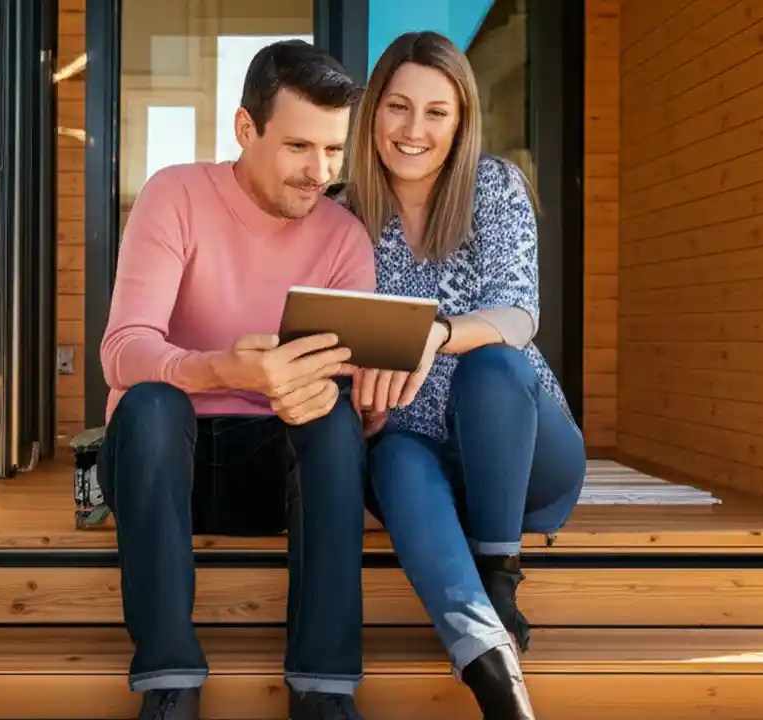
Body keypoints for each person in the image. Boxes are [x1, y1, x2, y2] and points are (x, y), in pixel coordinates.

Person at [96, 40, 374, 720]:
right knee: (155, 403)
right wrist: (221, 368)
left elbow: (355, 389)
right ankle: (169, 683)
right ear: (246, 129)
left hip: (274, 475)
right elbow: (122, 350)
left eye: (334, 152)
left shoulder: (344, 239)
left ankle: (323, 690)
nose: (320, 172)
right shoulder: (177, 194)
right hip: (163, 469)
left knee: (333, 415)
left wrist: (339, 391)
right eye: (299, 147)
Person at [343, 31, 589, 720]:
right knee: (390, 458)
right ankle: (494, 677)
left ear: (461, 121)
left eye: (435, 112)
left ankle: (499, 572)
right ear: (372, 115)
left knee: (491, 362)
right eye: (397, 107)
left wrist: (435, 336)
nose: (413, 130)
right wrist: (358, 404)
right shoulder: (344, 214)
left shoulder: (495, 186)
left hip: (524, 450)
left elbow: (519, 313)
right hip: (415, 447)